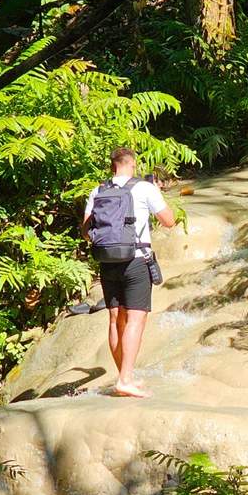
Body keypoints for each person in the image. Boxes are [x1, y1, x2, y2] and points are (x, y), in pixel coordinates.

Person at [82, 148, 175, 398]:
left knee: (115, 319)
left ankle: (126, 376)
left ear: (112, 167)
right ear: (132, 165)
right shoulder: (144, 188)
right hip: (135, 260)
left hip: (107, 261)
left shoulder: (98, 191)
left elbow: (85, 230)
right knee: (135, 319)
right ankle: (125, 380)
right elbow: (169, 220)